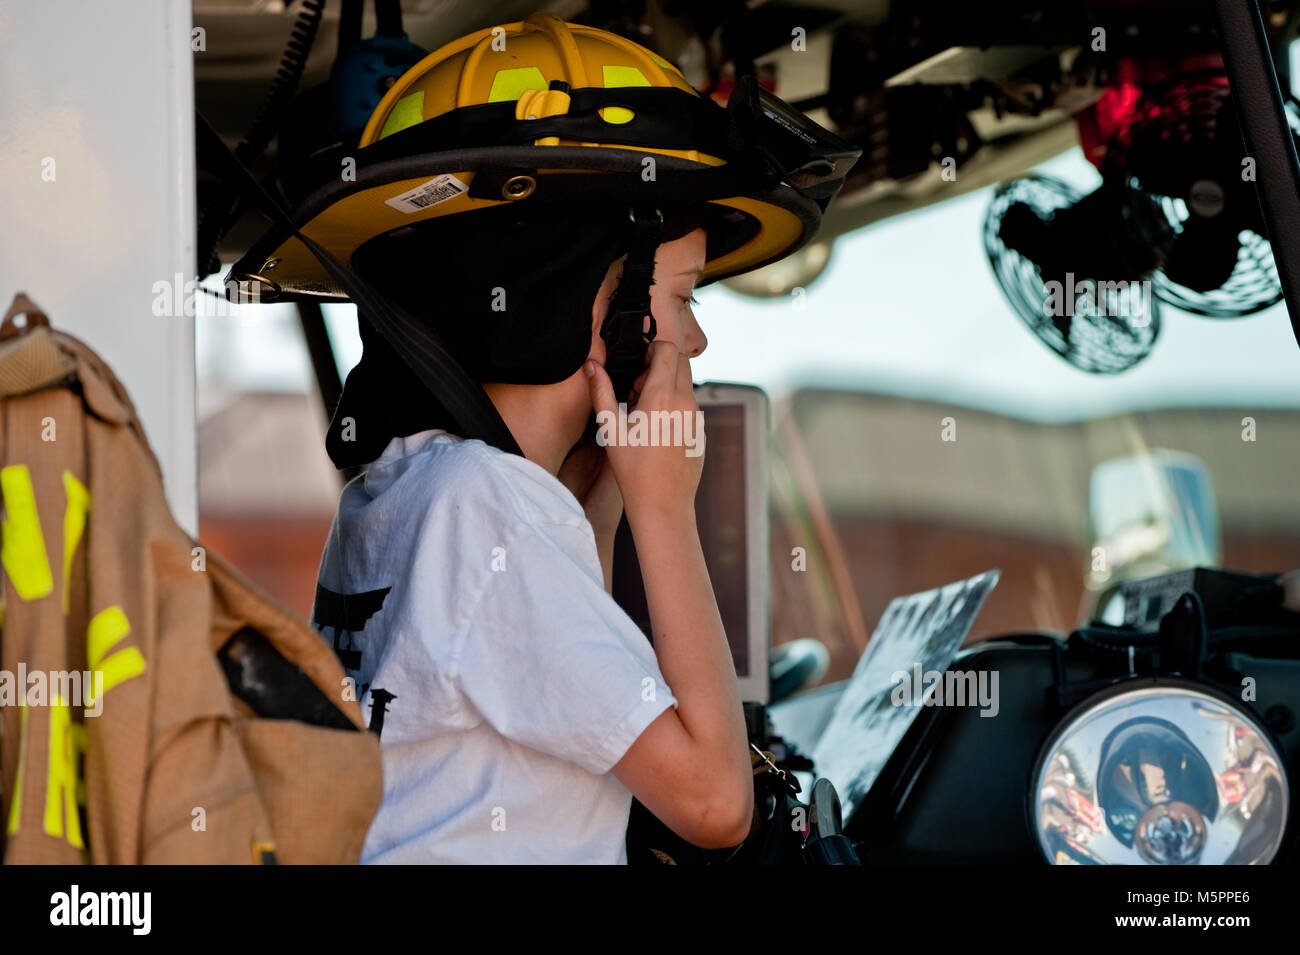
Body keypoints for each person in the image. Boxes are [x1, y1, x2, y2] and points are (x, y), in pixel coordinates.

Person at [230, 13, 857, 863]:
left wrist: (601, 502)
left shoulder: (406, 492)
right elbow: (715, 804)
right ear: (592, 313)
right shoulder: (488, 508)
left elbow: (554, 691)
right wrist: (665, 510)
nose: (696, 341)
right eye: (683, 302)